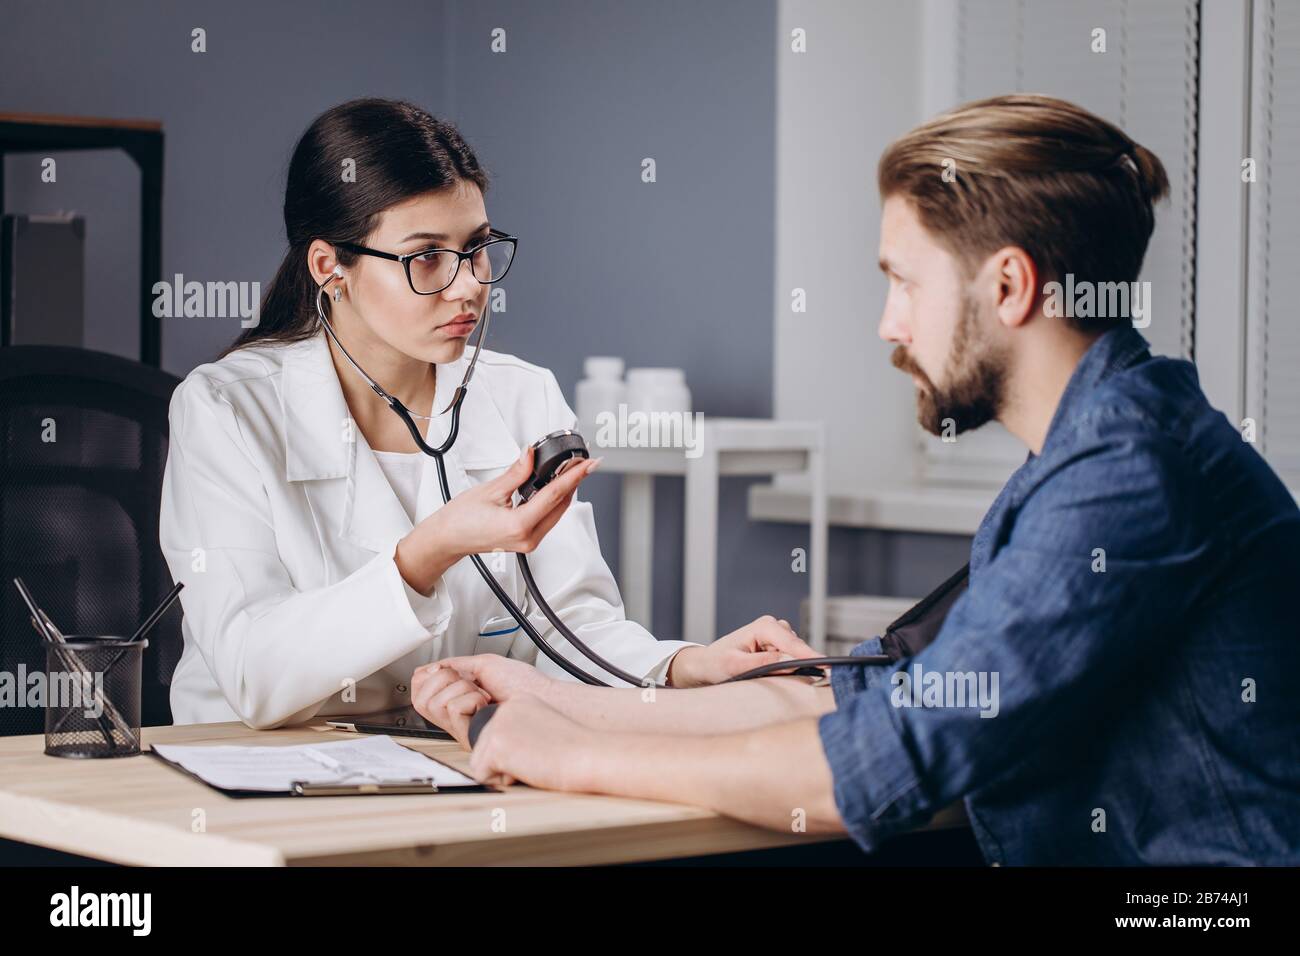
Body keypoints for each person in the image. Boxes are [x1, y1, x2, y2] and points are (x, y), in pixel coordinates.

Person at [425, 95, 1300, 866]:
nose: (890, 325)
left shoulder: (1128, 477)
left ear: (1009, 285)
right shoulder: (1094, 454)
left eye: (903, 282)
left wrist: (566, 754)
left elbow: (880, 764)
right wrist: (560, 703)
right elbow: (877, 695)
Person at [160, 98, 814, 730]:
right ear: (332, 267)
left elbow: (570, 630)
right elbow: (250, 669)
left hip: (456, 762)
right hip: (251, 780)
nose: (471, 282)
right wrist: (427, 553)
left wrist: (686, 666)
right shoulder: (226, 410)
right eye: (427, 258)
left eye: (476, 248)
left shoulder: (521, 396)